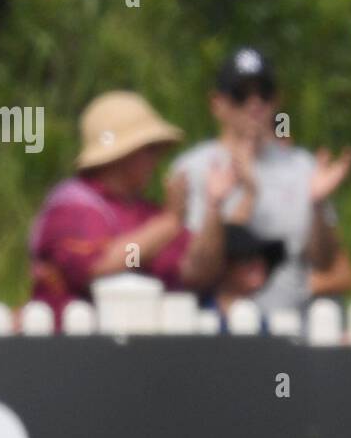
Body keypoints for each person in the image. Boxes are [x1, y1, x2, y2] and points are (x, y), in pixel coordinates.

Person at [167, 47, 351, 317]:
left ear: (277, 100)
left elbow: (326, 263)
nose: (254, 104)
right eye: (240, 95)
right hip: (222, 332)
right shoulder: (191, 169)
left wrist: (316, 205)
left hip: (298, 330)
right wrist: (232, 200)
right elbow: (196, 273)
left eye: (264, 93)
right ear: (217, 104)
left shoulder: (303, 166)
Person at [28, 91, 228, 323]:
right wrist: (170, 222)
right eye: (149, 149)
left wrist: (215, 207)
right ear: (124, 153)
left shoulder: (146, 214)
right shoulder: (72, 206)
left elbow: (195, 274)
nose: (156, 159)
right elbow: (97, 266)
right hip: (66, 352)